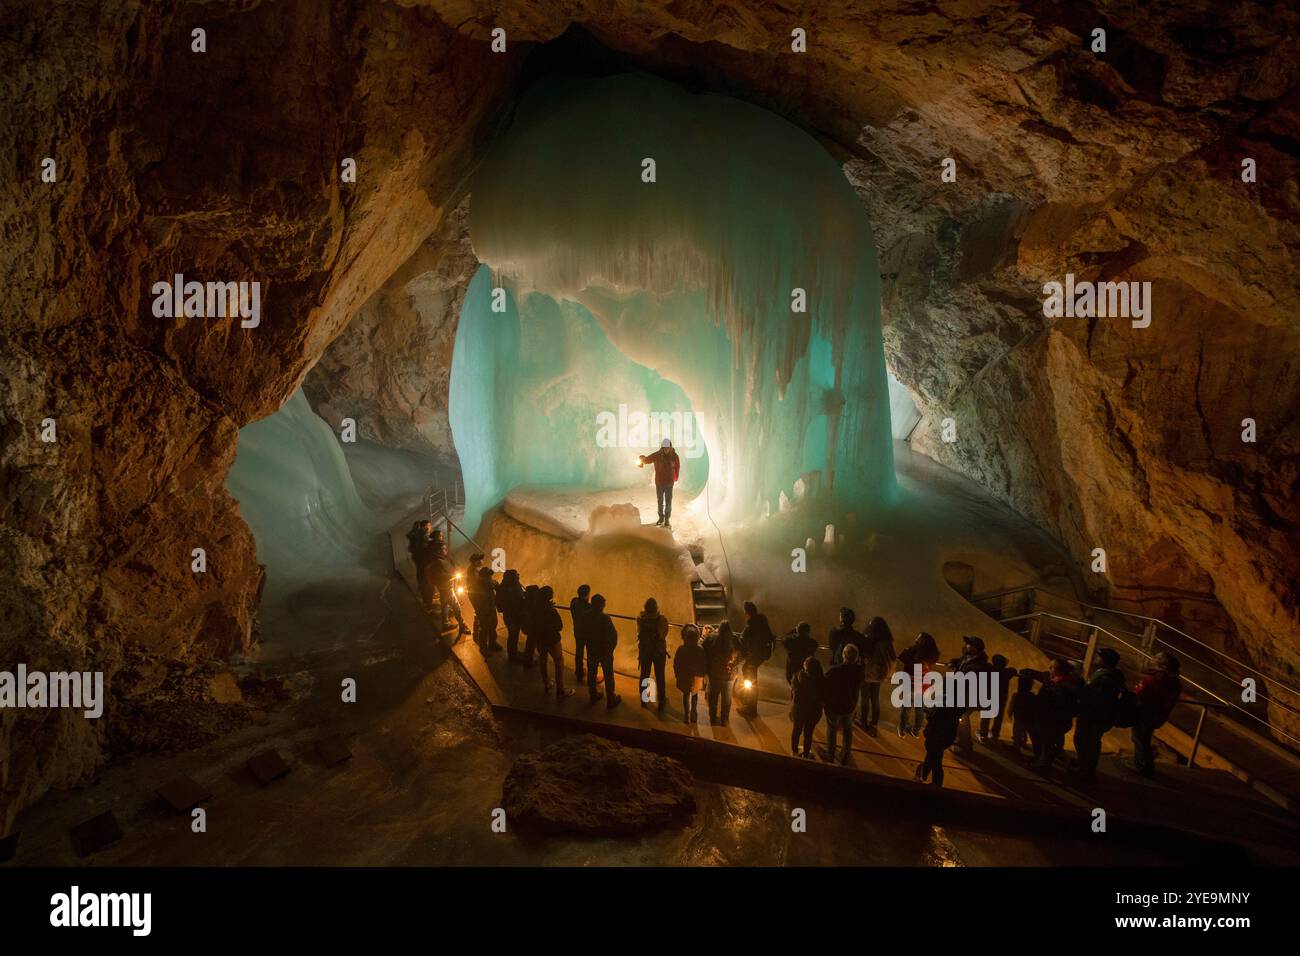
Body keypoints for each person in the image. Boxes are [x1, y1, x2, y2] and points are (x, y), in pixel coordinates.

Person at [1071, 648, 1125, 782]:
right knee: (1091, 742)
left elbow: (1096, 698)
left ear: (1106, 660)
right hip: (1098, 716)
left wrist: (1081, 691)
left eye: (1099, 656)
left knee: (1086, 741)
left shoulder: (1107, 678)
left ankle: (1085, 771)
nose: (1096, 657)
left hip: (1093, 716)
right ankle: (1085, 766)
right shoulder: (1111, 674)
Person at [1127, 651, 1182, 777]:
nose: (1153, 658)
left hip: (1145, 714)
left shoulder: (1153, 680)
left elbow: (1139, 695)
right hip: (1158, 715)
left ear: (1163, 665)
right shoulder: (1175, 682)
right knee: (1144, 739)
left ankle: (1141, 765)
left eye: (1157, 658)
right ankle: (1146, 764)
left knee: (1140, 739)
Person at [1025, 658, 1080, 770]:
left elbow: (1069, 706)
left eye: (1052, 667)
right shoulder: (1050, 678)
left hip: (1054, 720)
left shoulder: (1067, 686)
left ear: (1060, 670)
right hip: (1044, 718)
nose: (1049, 669)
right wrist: (1028, 672)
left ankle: (1044, 764)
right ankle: (1040, 758)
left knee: (1048, 742)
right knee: (1042, 739)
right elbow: (1039, 674)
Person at [949, 635, 990, 756]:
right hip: (961, 693)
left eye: (968, 644)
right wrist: (954, 662)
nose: (965, 646)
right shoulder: (967, 657)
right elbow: (961, 662)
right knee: (959, 718)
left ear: (975, 649)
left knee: (962, 718)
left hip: (970, 696)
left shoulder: (979, 665)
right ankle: (960, 741)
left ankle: (964, 746)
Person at [823, 644, 864, 764]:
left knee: (832, 729)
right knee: (848, 730)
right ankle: (845, 754)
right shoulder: (859, 671)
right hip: (850, 705)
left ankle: (830, 754)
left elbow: (825, 686)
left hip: (834, 706)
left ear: (843, 655)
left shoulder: (834, 670)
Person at [896, 632, 940, 736]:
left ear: (922, 641)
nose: (916, 639)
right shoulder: (932, 654)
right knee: (919, 709)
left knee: (906, 707)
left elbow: (902, 657)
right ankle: (916, 731)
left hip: (910, 683)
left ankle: (901, 729)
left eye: (918, 638)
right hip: (924, 685)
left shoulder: (911, 651)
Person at [858, 616, 896, 735]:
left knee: (865, 698)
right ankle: (874, 724)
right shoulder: (887, 641)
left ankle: (863, 722)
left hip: (867, 673)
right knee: (875, 699)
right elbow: (893, 658)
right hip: (879, 674)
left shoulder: (869, 638)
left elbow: (865, 655)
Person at [429, 531, 470, 636]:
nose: (445, 550)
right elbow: (442, 574)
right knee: (456, 606)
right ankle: (462, 624)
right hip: (446, 587)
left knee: (445, 605)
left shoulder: (437, 559)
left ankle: (445, 623)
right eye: (444, 549)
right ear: (439, 550)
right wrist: (453, 575)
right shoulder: (439, 562)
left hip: (443, 587)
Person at [534, 585, 573, 698]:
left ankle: (547, 683)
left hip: (540, 639)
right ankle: (560, 690)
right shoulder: (551, 611)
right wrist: (551, 609)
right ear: (549, 596)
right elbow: (559, 626)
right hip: (552, 640)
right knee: (559, 661)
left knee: (543, 659)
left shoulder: (535, 608)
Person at [586, 593, 621, 709]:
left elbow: (582, 631)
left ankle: (593, 695)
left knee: (591, 673)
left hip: (591, 650)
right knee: (608, 675)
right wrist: (610, 648)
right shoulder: (605, 618)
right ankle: (610, 700)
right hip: (605, 652)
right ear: (601, 605)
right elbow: (613, 635)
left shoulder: (586, 616)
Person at [638, 438, 681, 529]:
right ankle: (661, 518)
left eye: (667, 448)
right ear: (662, 447)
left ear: (670, 447)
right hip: (659, 482)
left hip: (669, 483)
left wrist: (675, 477)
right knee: (660, 501)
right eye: (664, 448)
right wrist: (642, 459)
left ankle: (667, 519)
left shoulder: (675, 456)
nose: (666, 449)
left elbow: (677, 467)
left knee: (668, 502)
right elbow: (647, 460)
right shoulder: (657, 455)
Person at [915, 704, 961, 787]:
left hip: (937, 732)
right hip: (946, 734)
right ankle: (926, 775)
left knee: (935, 757)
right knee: (934, 755)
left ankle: (932, 780)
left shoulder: (946, 700)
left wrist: (930, 711)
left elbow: (935, 715)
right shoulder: (956, 703)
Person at [637, 597, 670, 713]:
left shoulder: (640, 619)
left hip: (645, 651)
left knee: (645, 674)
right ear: (656, 608)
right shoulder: (662, 619)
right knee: (660, 676)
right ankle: (661, 701)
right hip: (658, 652)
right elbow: (664, 634)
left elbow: (639, 633)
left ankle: (644, 699)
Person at [789, 657, 825, 758]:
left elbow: (793, 693)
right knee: (808, 733)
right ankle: (806, 753)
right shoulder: (821, 681)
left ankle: (794, 749)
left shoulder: (797, 676)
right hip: (813, 712)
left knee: (796, 730)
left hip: (799, 710)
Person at [703, 621, 737, 725]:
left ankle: (712, 718)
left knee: (713, 698)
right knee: (726, 699)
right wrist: (735, 663)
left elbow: (703, 651)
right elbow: (743, 652)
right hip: (729, 675)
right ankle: (724, 719)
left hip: (714, 674)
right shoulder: (734, 639)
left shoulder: (711, 638)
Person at [979, 654, 1017, 743]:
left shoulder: (989, 669)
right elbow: (1013, 670)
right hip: (1001, 698)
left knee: (986, 716)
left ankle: (983, 734)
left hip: (989, 696)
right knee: (998, 717)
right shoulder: (1006, 672)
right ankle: (995, 735)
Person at [673, 624, 708, 724]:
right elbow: (703, 664)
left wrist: (677, 674)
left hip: (684, 676)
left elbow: (676, 663)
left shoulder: (681, 649)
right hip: (696, 677)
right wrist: (702, 675)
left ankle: (686, 715)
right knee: (694, 695)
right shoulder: (700, 650)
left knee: (685, 695)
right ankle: (693, 714)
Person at [738, 601, 775, 686]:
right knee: (751, 669)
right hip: (763, 653)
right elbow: (769, 635)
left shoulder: (751, 623)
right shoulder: (762, 619)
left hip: (754, 653)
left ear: (747, 611)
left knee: (746, 669)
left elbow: (743, 637)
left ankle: (751, 692)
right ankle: (752, 690)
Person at [405, 520, 435, 612]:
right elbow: (424, 549)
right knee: (427, 583)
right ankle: (428, 605)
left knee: (423, 581)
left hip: (420, 562)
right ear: (425, 527)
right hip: (424, 564)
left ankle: (427, 602)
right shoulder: (422, 538)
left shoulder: (418, 536)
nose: (430, 528)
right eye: (429, 526)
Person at [497, 569, 526, 662]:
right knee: (513, 636)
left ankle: (513, 653)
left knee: (513, 635)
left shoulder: (504, 586)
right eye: (516, 574)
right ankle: (513, 657)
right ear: (513, 577)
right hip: (512, 617)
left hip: (509, 616)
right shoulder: (513, 587)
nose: (518, 575)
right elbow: (519, 599)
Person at [470, 566, 500, 653]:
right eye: (488, 576)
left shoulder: (488, 583)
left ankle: (492, 643)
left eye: (490, 576)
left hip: (491, 609)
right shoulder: (478, 587)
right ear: (483, 577)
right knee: (484, 629)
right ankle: (483, 648)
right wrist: (481, 611)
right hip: (484, 611)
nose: (490, 577)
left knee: (493, 626)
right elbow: (476, 600)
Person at [569, 584, 592, 683]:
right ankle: (591, 676)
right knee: (590, 655)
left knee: (579, 653)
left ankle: (579, 673)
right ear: (587, 595)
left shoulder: (574, 602)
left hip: (577, 632)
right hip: (587, 634)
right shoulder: (589, 607)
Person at [518, 584, 541, 667]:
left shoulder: (525, 600)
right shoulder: (533, 603)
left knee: (531, 642)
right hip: (532, 628)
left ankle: (528, 658)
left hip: (527, 626)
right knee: (531, 643)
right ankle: (528, 662)